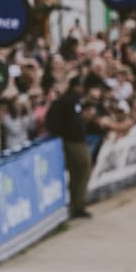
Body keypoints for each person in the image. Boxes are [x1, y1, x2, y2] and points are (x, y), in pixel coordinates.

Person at [45, 75, 93, 218]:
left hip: (71, 141)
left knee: (77, 174)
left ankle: (77, 204)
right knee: (82, 172)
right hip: (75, 142)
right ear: (77, 87)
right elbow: (72, 122)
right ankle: (79, 205)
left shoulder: (67, 101)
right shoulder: (71, 100)